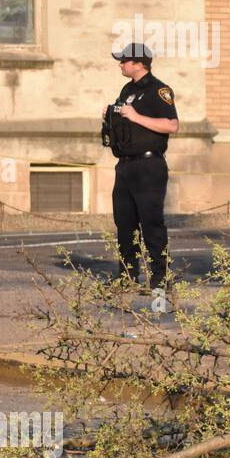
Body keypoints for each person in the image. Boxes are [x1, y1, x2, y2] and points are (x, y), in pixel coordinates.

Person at [101, 42, 179, 291]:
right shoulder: (127, 89)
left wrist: (135, 117)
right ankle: (127, 274)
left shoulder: (159, 90)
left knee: (151, 221)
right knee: (124, 222)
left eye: (124, 60)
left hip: (148, 165)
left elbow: (172, 125)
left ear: (138, 63)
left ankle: (159, 277)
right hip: (125, 165)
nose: (120, 64)